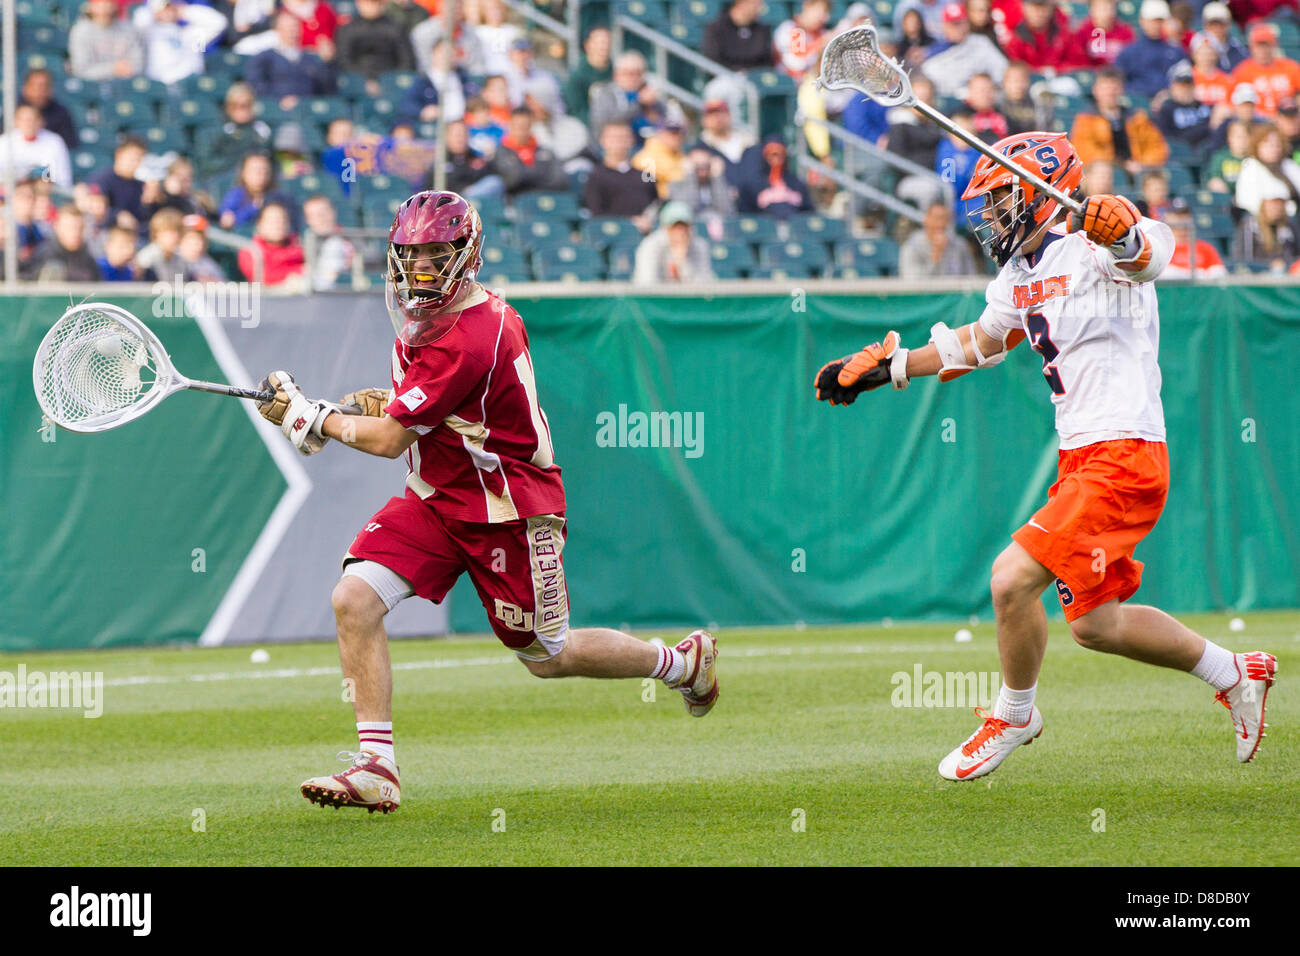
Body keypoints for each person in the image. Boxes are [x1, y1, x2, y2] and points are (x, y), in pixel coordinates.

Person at [813, 130, 1276, 781]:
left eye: (1001, 200)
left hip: (1125, 453)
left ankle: (1016, 713)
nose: (991, 216)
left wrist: (1121, 232)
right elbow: (980, 342)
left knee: (1010, 578)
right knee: (1097, 624)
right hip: (1082, 459)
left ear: (1035, 194)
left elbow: (1150, 255)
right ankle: (1236, 673)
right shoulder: (1017, 274)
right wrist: (891, 367)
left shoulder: (1092, 243)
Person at [252, 190, 719, 813]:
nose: (418, 268)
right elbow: (408, 411)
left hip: (507, 510)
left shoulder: (472, 333)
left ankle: (679, 664)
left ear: (464, 253)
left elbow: (392, 437)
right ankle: (378, 766)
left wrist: (314, 420)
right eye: (409, 255)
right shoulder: (428, 320)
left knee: (548, 657)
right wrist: (342, 413)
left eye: (433, 254)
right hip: (436, 497)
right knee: (354, 598)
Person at [1070, 69, 1169, 174]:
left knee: (1156, 179)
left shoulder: (1137, 118)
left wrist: (1141, 164)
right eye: (1106, 88)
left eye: (1114, 88)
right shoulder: (1086, 118)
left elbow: (1157, 147)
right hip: (1102, 171)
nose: (1110, 92)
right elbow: (1085, 151)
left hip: (1137, 169)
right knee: (1101, 171)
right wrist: (1119, 164)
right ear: (1095, 90)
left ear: (1121, 90)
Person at [244, 10, 337, 104]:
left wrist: (327, 62)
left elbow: (325, 89)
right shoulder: (264, 58)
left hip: (306, 110)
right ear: (277, 29)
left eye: (295, 27)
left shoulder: (310, 59)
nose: (293, 31)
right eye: (288, 27)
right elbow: (256, 85)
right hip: (275, 111)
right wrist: (278, 100)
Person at [922, 2, 1008, 98]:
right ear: (945, 26)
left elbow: (1002, 70)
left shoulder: (981, 42)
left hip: (985, 98)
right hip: (952, 104)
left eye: (963, 22)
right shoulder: (934, 52)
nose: (961, 28)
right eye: (955, 24)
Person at [582, 121, 659, 226]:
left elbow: (656, 206)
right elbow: (597, 214)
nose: (619, 142)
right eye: (614, 138)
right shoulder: (595, 177)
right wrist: (630, 222)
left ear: (632, 141)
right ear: (603, 141)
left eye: (624, 137)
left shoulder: (645, 176)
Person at [133, 0, 228, 84]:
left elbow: (219, 22)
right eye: (164, 8)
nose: (168, 12)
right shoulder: (149, 33)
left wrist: (185, 11)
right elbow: (140, 19)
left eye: (170, 8)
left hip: (189, 85)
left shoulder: (190, 33)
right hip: (160, 85)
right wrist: (155, 9)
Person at [194, 83, 274, 182]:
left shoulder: (262, 131)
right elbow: (207, 164)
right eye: (237, 105)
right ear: (229, 107)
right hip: (225, 180)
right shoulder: (213, 131)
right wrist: (242, 166)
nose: (242, 110)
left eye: (247, 105)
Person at [1114, 0, 1186, 99]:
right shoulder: (1128, 52)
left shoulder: (1176, 51)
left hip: (1169, 105)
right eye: (1152, 20)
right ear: (1142, 20)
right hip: (1137, 105)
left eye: (1159, 21)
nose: (1156, 25)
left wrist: (1168, 94)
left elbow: (1184, 81)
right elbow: (1119, 83)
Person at [632, 200, 716, 284]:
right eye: (675, 226)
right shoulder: (650, 245)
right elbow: (646, 282)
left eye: (684, 226)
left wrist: (682, 262)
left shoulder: (699, 246)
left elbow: (704, 284)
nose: (680, 232)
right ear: (665, 227)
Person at [589, 51, 662, 146]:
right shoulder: (605, 93)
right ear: (616, 75)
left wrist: (654, 110)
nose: (632, 77)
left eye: (637, 73)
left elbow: (665, 118)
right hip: (615, 148)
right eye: (627, 73)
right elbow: (605, 121)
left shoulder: (648, 92)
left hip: (649, 148)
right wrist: (638, 103)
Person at [492, 107, 569, 196]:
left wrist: (528, 177)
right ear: (511, 126)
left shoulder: (545, 151)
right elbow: (512, 180)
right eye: (518, 126)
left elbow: (560, 180)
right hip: (514, 201)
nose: (521, 130)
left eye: (525, 126)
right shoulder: (501, 152)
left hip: (545, 197)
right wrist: (539, 175)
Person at [1228, 23, 1300, 117]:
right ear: (1252, 47)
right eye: (1259, 46)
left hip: (1286, 119)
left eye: (1266, 45)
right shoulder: (1242, 71)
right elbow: (1231, 103)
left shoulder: (1290, 67)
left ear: (1274, 46)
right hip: (1256, 122)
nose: (1263, 50)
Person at [335, 0, 415, 80]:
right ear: (358, 3)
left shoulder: (396, 28)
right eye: (368, 2)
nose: (371, 6)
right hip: (356, 82)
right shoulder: (348, 29)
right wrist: (364, 81)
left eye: (375, 2)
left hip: (390, 79)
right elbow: (343, 60)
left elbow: (406, 60)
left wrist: (390, 80)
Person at [219, 152, 299, 231]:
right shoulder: (235, 195)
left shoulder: (280, 199)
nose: (260, 174)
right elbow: (228, 221)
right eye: (254, 170)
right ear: (243, 173)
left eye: (264, 170)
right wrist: (252, 208)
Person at [898, 200, 979, 277]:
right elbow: (911, 283)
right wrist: (935, 257)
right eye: (937, 218)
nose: (941, 224)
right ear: (926, 219)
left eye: (945, 219)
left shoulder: (960, 245)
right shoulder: (912, 247)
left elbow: (971, 276)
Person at [735, 137, 813, 216]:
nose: (775, 158)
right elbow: (745, 214)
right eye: (771, 154)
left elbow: (809, 212)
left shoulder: (796, 184)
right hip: (765, 226)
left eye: (779, 154)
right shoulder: (753, 185)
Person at [1234, 123, 1300, 217]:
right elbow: (1247, 202)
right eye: (1267, 144)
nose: (1273, 148)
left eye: (1277, 144)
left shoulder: (1289, 166)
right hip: (1261, 223)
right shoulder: (1251, 167)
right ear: (1257, 145)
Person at [69, 0, 145, 81]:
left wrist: (127, 69)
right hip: (92, 86)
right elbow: (80, 70)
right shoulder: (81, 31)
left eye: (108, 3)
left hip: (124, 83)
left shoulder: (128, 29)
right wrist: (113, 68)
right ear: (90, 7)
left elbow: (138, 64)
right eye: (99, 4)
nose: (104, 8)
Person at [0, 104, 72, 188]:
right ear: (16, 122)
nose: (28, 124)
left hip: (44, 195)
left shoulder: (54, 141)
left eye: (33, 119)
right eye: (24, 120)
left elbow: (63, 181)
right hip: (13, 193)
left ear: (41, 121)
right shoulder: (4, 142)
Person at [432, 118, 507, 199]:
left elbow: (490, 174)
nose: (461, 138)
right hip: (449, 204)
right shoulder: (441, 161)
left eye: (464, 134)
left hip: (475, 203)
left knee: (494, 183)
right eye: (457, 135)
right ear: (447, 137)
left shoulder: (475, 157)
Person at [25, 205, 102, 282]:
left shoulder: (88, 258)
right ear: (57, 227)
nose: (76, 233)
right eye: (70, 227)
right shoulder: (44, 255)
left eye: (80, 228)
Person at [1154, 61, 1215, 156]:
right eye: (1182, 85)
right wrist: (1201, 130)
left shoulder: (1204, 108)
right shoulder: (1167, 109)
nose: (1186, 89)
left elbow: (1213, 133)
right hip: (1178, 156)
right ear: (1173, 87)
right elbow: (1169, 139)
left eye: (1189, 85)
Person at [237, 201, 305, 285]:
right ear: (260, 225)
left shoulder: (300, 246)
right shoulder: (252, 251)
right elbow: (263, 276)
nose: (278, 224)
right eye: (272, 221)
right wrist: (299, 272)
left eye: (282, 220)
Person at [1002, 0, 1080, 72]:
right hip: (1027, 83)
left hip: (1060, 81)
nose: (1039, 13)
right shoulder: (1016, 38)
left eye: (1043, 8)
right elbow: (1015, 67)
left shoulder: (1064, 35)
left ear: (1051, 9)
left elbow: (1076, 63)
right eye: (1034, 8)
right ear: (1024, 8)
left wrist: (1055, 70)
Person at [1160, 197, 1227, 278]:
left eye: (1184, 215)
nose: (1181, 220)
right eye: (1177, 216)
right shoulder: (1161, 247)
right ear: (1168, 218)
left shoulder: (1205, 247)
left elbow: (1219, 273)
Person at [669, 146, 736, 223]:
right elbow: (688, 209)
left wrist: (717, 177)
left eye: (706, 166)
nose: (702, 170)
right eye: (697, 166)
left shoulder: (718, 182)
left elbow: (727, 211)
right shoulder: (677, 183)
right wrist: (690, 175)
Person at [702, 0, 774, 72]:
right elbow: (712, 60)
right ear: (740, 3)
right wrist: (737, 71)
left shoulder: (762, 30)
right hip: (723, 76)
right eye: (754, 4)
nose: (759, 9)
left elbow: (766, 62)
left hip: (753, 78)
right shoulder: (716, 28)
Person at [302, 193, 355, 289]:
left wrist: (353, 263)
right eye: (314, 215)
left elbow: (373, 261)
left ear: (334, 212)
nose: (321, 218)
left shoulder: (351, 237)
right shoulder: (300, 244)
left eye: (324, 212)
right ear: (307, 220)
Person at [1233, 191, 1298, 267]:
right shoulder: (1250, 226)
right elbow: (1244, 259)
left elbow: (1296, 255)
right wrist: (1269, 265)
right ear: (1264, 204)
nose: (1277, 207)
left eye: (1281, 203)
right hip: (1257, 274)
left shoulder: (1290, 226)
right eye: (1273, 203)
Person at [20, 69, 78, 151]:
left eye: (44, 86)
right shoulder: (11, 108)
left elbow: (69, 145)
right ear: (25, 88)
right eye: (35, 86)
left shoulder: (60, 113)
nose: (39, 92)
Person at [563, 25, 612, 123]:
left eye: (607, 42)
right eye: (599, 43)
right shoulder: (577, 76)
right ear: (587, 45)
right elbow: (577, 111)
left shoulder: (617, 71)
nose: (604, 47)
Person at [774, 0, 832, 81]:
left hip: (815, 85)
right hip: (789, 83)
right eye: (822, 10)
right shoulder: (789, 28)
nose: (825, 18)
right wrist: (820, 44)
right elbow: (796, 64)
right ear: (807, 6)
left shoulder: (823, 33)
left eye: (827, 12)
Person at [632, 119, 688, 200]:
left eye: (680, 133)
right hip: (657, 203)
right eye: (673, 133)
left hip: (681, 200)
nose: (677, 137)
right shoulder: (645, 157)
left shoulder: (680, 154)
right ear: (660, 134)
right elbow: (646, 188)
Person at [1071, 0, 1134, 67]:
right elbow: (1079, 61)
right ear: (1092, 10)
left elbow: (1131, 58)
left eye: (1110, 8)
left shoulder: (1125, 31)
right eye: (1102, 9)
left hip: (1119, 73)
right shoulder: (1082, 32)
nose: (1107, 13)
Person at [135, 207, 189, 282]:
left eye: (177, 232)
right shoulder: (146, 259)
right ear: (156, 234)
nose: (175, 237)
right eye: (169, 232)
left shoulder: (181, 260)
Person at [699, 99, 756, 168]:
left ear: (729, 115)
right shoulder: (701, 147)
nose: (717, 117)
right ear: (704, 120)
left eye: (721, 112)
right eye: (712, 114)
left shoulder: (749, 142)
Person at [1193, 2, 1247, 74]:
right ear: (1205, 25)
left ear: (1228, 25)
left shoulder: (1238, 49)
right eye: (1213, 24)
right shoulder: (1199, 46)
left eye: (1221, 24)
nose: (1217, 28)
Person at [1204, 119, 1252, 192]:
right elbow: (1214, 177)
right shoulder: (1220, 157)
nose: (1242, 141)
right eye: (1238, 137)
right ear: (1229, 138)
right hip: (1226, 197)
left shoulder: (1253, 158)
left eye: (1245, 137)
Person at [178, 217, 227, 282]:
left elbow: (224, 285)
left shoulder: (207, 264)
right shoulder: (170, 259)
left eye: (200, 239)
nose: (196, 243)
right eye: (191, 238)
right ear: (181, 239)